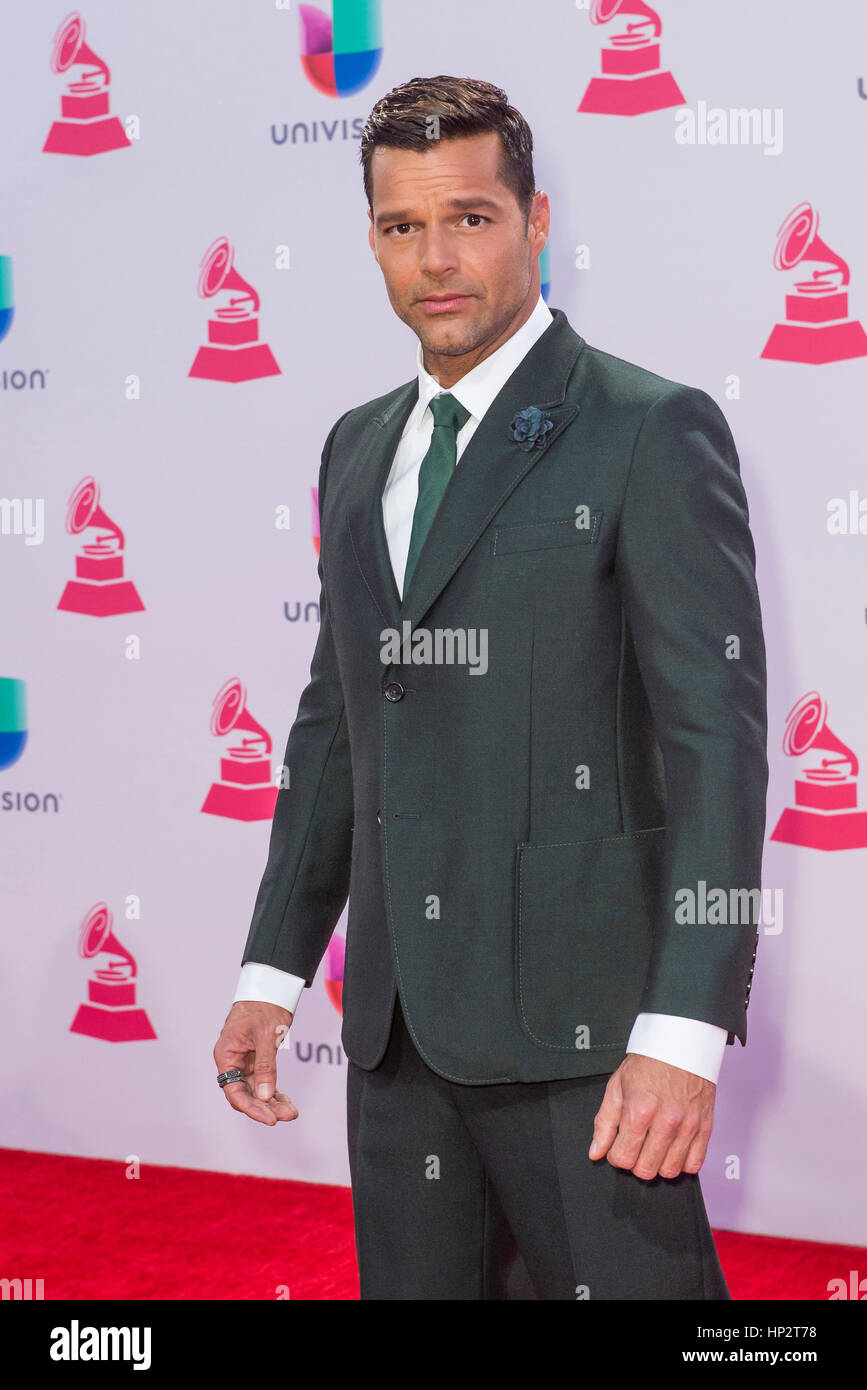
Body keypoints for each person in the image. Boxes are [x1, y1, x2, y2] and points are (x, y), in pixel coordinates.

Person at [213, 75, 768, 1301]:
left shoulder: (647, 427)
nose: (437, 258)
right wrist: (271, 973)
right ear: (371, 241)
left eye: (469, 217)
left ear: (535, 218)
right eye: (404, 227)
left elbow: (715, 745)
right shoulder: (357, 447)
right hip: (400, 1033)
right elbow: (337, 726)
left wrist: (681, 1034)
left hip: (592, 1035)